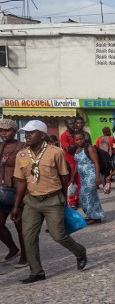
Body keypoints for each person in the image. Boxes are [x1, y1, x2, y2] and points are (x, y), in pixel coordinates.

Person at [11, 120, 87, 283]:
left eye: (32, 132)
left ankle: (80, 251)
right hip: (32, 201)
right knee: (28, 237)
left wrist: (63, 200)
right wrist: (16, 206)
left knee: (58, 235)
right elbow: (21, 182)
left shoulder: (55, 152)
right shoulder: (22, 155)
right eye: (26, 132)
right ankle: (36, 272)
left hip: (52, 199)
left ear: (42, 134)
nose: (27, 135)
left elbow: (63, 177)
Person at [0, 119, 27, 267]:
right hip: (2, 191)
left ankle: (25, 255)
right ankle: (13, 249)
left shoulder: (22, 147)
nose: (4, 133)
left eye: (7, 130)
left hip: (18, 191)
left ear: (15, 131)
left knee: (19, 225)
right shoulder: (1, 147)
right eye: (1, 130)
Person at [71, 131, 105, 224]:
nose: (79, 141)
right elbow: (77, 164)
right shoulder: (77, 150)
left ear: (84, 138)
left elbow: (96, 162)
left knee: (88, 196)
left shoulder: (89, 148)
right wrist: (73, 176)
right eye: (77, 139)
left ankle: (91, 216)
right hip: (83, 177)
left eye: (81, 139)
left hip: (91, 175)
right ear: (74, 140)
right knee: (86, 197)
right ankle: (97, 216)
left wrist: (97, 177)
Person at [60, 118, 80, 209]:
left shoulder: (77, 133)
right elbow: (68, 149)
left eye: (73, 123)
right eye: (70, 123)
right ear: (66, 125)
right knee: (71, 182)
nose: (72, 125)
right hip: (70, 162)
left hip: (79, 160)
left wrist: (73, 146)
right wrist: (78, 145)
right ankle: (72, 201)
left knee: (80, 182)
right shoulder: (64, 136)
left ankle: (79, 200)